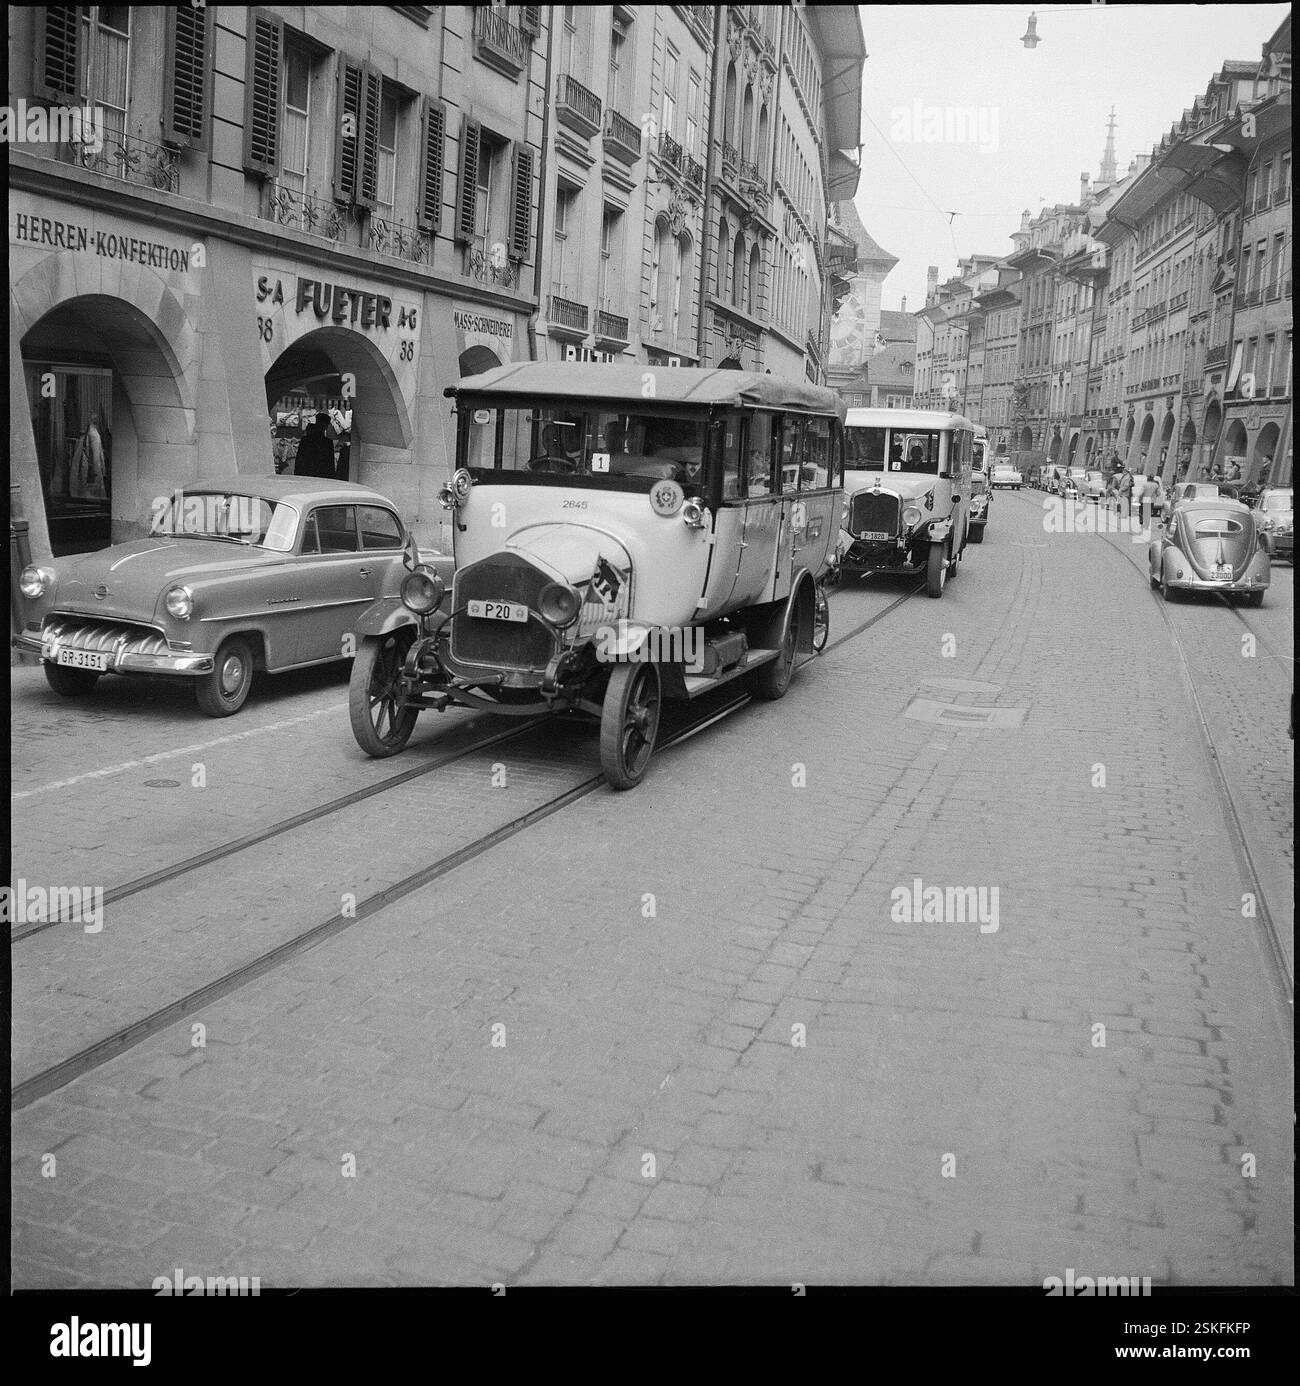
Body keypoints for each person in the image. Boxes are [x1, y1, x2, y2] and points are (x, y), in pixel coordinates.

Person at [294, 413, 337, 479]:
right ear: (326, 427)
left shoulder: (305, 440)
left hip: (306, 474)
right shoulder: (328, 443)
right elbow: (330, 464)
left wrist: (297, 476)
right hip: (322, 476)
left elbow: (299, 461)